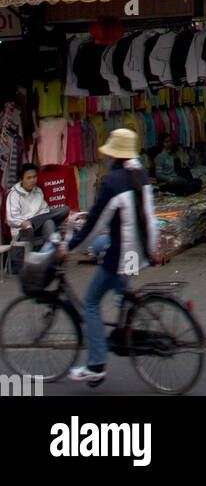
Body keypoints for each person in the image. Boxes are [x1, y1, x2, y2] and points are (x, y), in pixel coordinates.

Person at [61, 128, 160, 385]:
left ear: (113, 155)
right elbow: (148, 215)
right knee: (119, 284)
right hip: (142, 247)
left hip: (123, 253)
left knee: (91, 303)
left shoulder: (112, 182)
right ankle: (123, 318)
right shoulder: (140, 174)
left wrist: (70, 246)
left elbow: (94, 223)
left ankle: (96, 364)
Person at [6, 164, 70, 250]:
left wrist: (35, 221)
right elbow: (11, 218)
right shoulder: (14, 194)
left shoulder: (38, 191)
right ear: (22, 179)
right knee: (48, 221)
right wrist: (25, 223)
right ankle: (52, 248)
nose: (32, 180)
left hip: (38, 226)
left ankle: (49, 253)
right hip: (24, 230)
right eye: (29, 178)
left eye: (34, 177)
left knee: (64, 210)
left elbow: (44, 211)